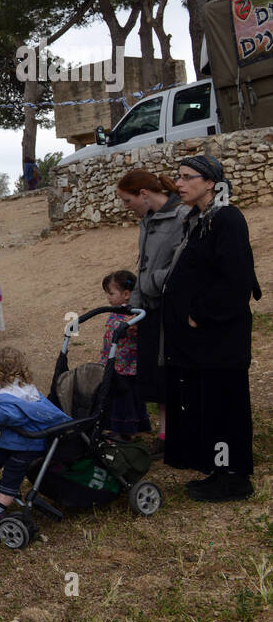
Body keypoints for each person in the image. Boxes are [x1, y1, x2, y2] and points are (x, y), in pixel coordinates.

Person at [161, 155, 261, 502]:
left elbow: (236, 280)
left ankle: (234, 479)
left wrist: (199, 314)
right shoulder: (202, 219)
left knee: (225, 406)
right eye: (178, 177)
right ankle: (218, 471)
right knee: (210, 405)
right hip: (206, 341)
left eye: (188, 177)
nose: (180, 183)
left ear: (210, 183)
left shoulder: (227, 219)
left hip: (221, 337)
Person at [115, 169, 187, 456]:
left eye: (127, 200)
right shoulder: (147, 221)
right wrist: (134, 301)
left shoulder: (182, 217)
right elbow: (144, 264)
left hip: (169, 309)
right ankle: (165, 434)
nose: (125, 206)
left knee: (172, 373)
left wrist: (154, 283)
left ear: (143, 194)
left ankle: (180, 434)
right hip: (149, 308)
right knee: (155, 376)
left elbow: (181, 264)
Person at [0, 347, 72, 528]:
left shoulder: (9, 398)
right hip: (22, 440)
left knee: (12, 471)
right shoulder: (28, 389)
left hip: (28, 446)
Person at [101, 270, 149, 440]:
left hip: (125, 365)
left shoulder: (132, 314)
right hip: (116, 361)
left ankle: (125, 429)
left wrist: (129, 325)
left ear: (127, 294)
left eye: (111, 293)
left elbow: (130, 330)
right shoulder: (118, 310)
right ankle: (132, 425)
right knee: (122, 396)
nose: (108, 297)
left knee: (124, 398)